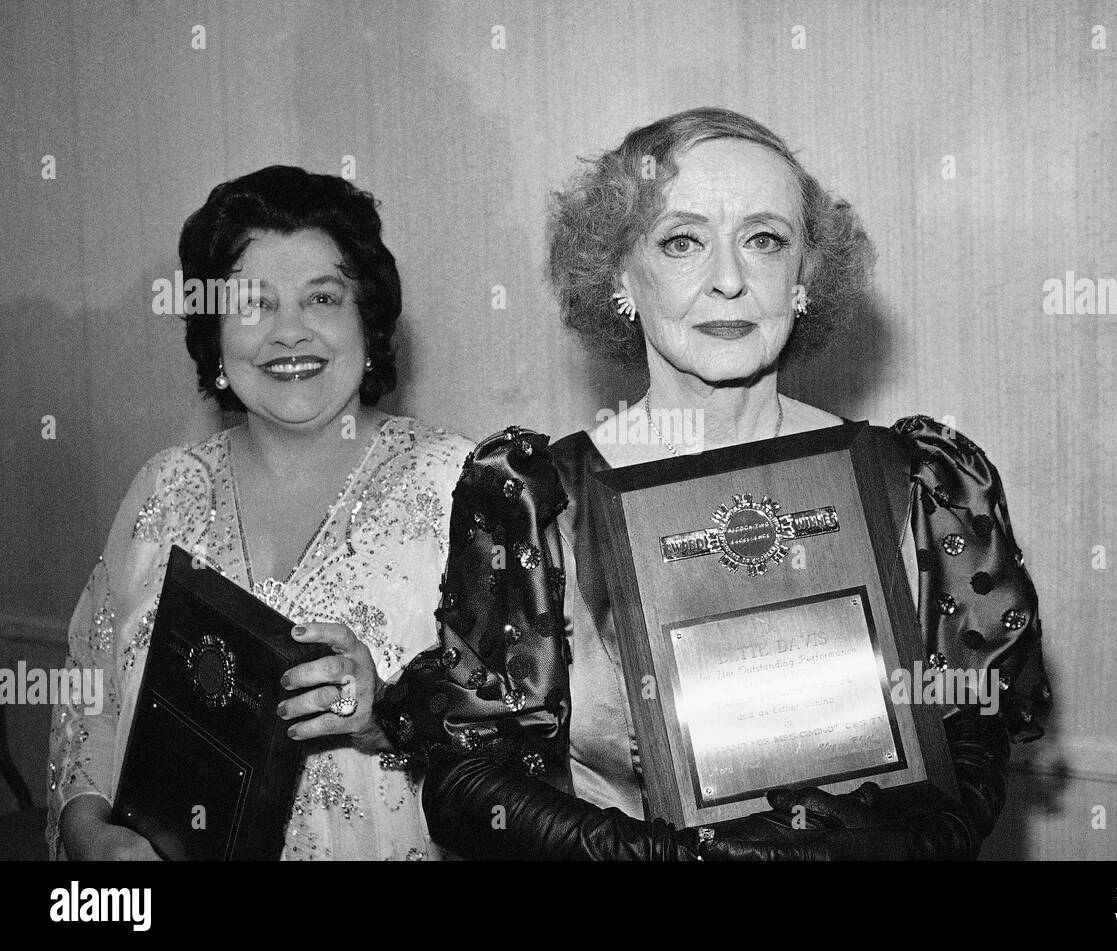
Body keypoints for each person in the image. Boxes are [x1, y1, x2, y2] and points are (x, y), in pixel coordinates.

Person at [359, 107, 1051, 859]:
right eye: (683, 241)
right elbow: (466, 786)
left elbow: (971, 727)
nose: (729, 280)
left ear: (805, 275)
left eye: (764, 240)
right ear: (621, 272)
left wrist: (921, 838)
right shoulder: (534, 499)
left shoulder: (919, 481)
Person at [47, 165, 472, 860]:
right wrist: (90, 830)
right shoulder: (163, 488)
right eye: (253, 303)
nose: (289, 333)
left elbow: (525, 757)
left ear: (368, 322)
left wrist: (390, 716)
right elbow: (87, 701)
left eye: (323, 298)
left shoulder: (460, 488)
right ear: (214, 337)